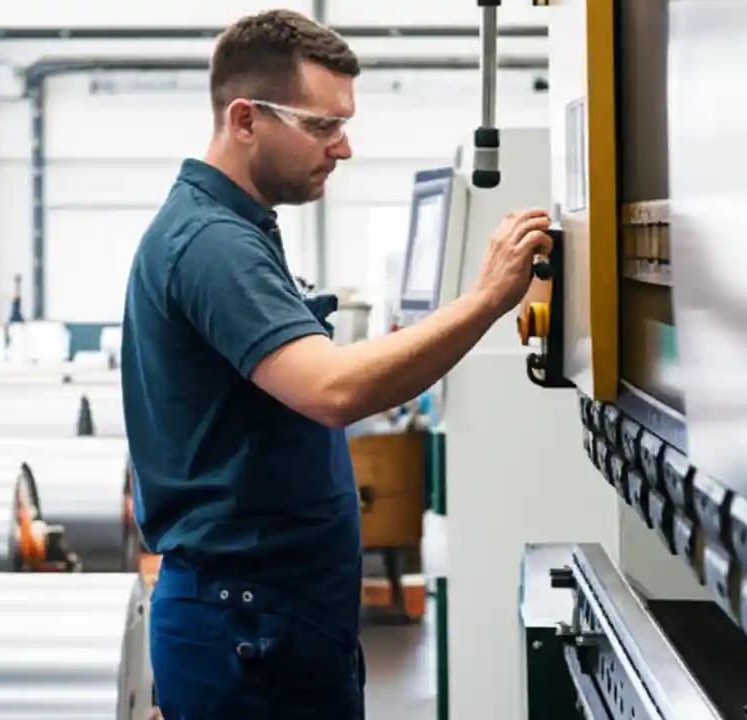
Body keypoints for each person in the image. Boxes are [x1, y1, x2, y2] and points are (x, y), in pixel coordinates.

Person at [121, 9, 553, 719]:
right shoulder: (212, 243)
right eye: (322, 126)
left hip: (269, 619)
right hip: (246, 630)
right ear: (244, 119)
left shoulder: (234, 231)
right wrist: (490, 297)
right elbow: (333, 389)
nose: (343, 147)